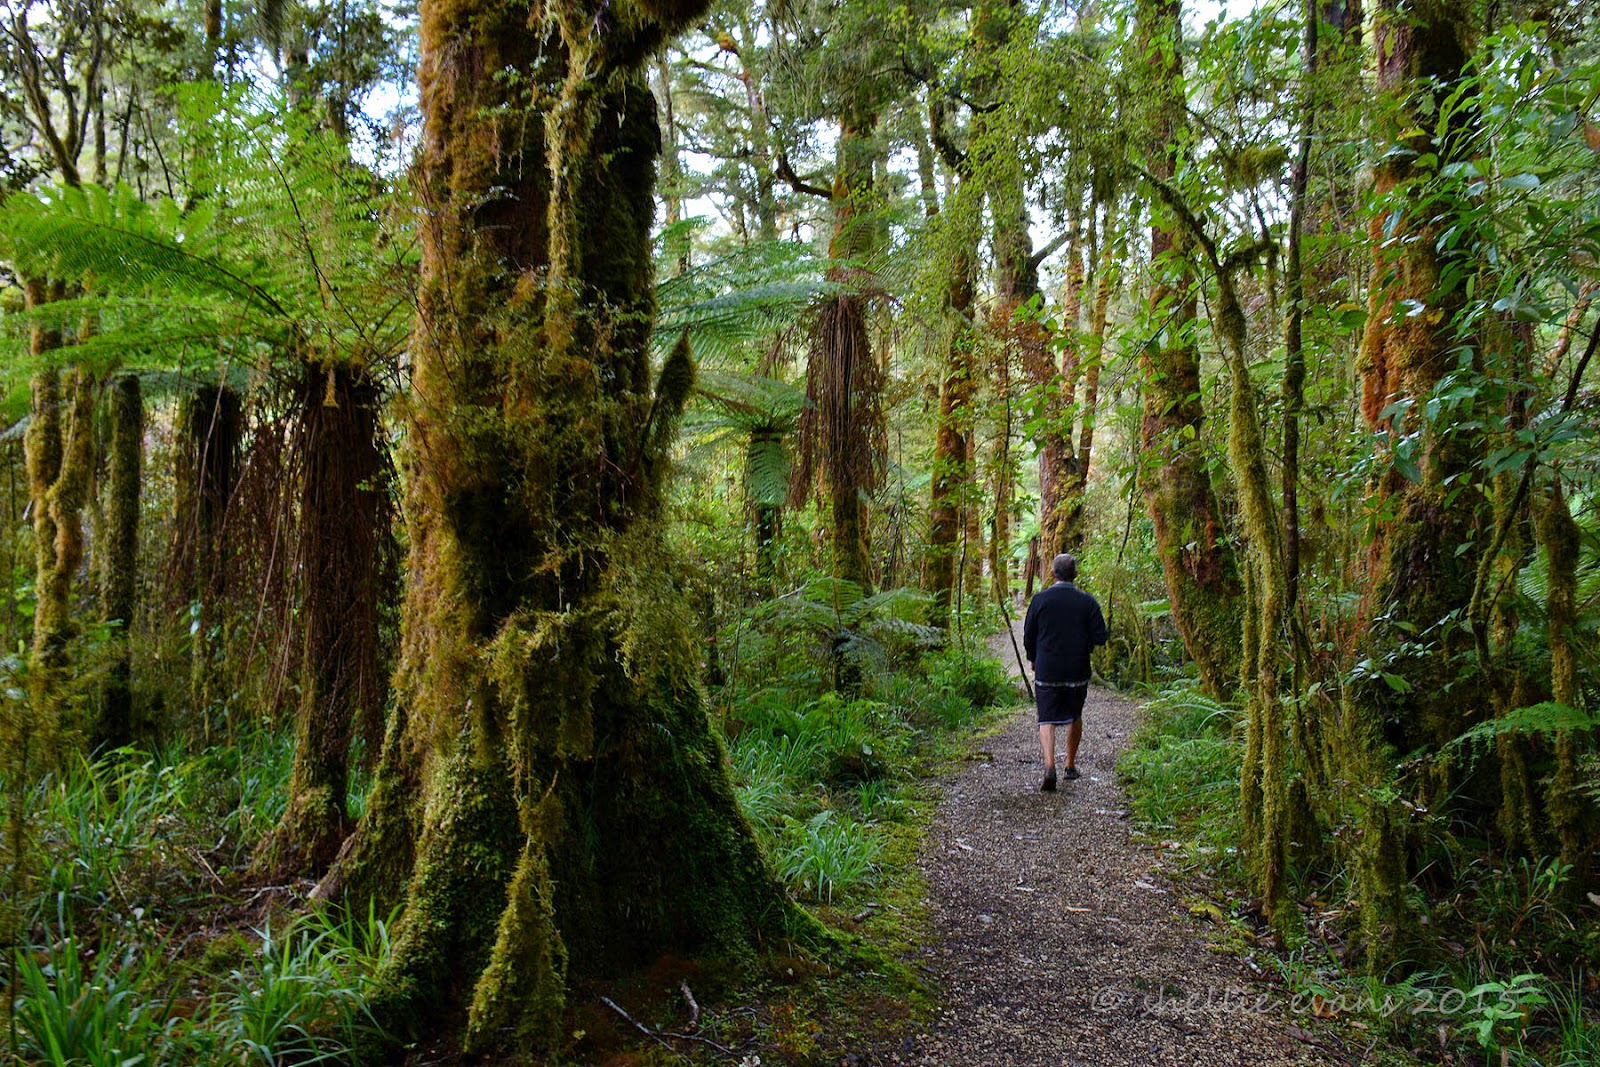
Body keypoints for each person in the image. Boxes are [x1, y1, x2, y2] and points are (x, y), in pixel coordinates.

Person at [1022, 553, 1108, 791]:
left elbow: (1028, 634)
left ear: (1053, 573)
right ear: (1075, 574)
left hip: (1047, 668)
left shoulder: (1040, 600)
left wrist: (1033, 658)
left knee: (1046, 718)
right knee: (1074, 715)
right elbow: (1101, 636)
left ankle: (1050, 765)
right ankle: (1069, 765)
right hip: (1077, 669)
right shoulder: (1088, 602)